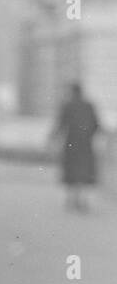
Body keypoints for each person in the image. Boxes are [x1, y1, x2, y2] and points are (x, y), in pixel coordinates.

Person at [52, 81, 99, 213]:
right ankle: (82, 200)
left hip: (71, 143)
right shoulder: (89, 105)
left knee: (71, 171)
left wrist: (52, 137)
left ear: (72, 92)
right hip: (85, 144)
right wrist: (89, 135)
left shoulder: (67, 105)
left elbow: (60, 124)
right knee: (84, 171)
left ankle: (72, 199)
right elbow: (96, 124)